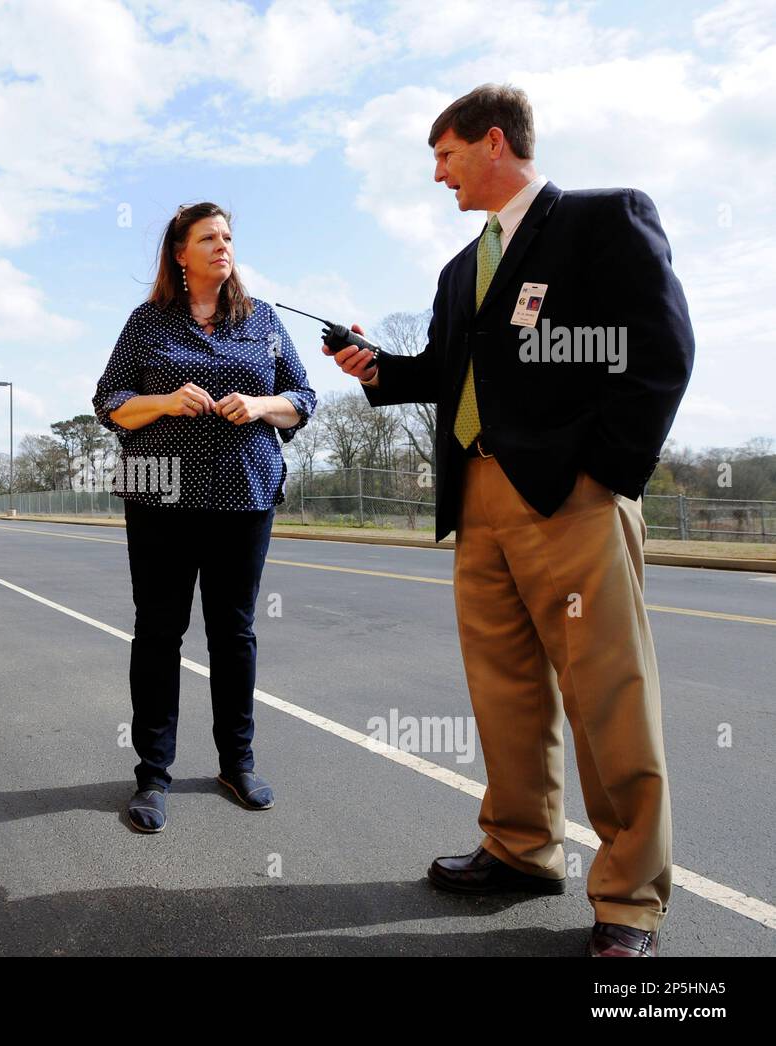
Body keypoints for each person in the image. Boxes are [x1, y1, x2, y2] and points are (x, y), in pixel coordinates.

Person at [328, 84, 692, 957]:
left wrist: (604, 477)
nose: (437, 175)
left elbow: (662, 350)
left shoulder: (603, 220)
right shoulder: (463, 268)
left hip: (572, 497)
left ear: (495, 143)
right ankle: (522, 847)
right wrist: (376, 368)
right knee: (505, 691)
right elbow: (449, 373)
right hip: (479, 501)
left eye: (445, 156)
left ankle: (630, 899)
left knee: (607, 695)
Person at [92, 202, 317, 834]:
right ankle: (153, 774)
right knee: (160, 631)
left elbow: (303, 398)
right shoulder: (147, 322)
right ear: (179, 254)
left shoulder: (263, 321)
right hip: (158, 493)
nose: (222, 245)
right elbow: (109, 402)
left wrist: (260, 402)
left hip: (243, 495)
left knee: (234, 632)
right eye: (208, 238)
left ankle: (235, 763)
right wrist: (163, 400)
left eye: (228, 236)